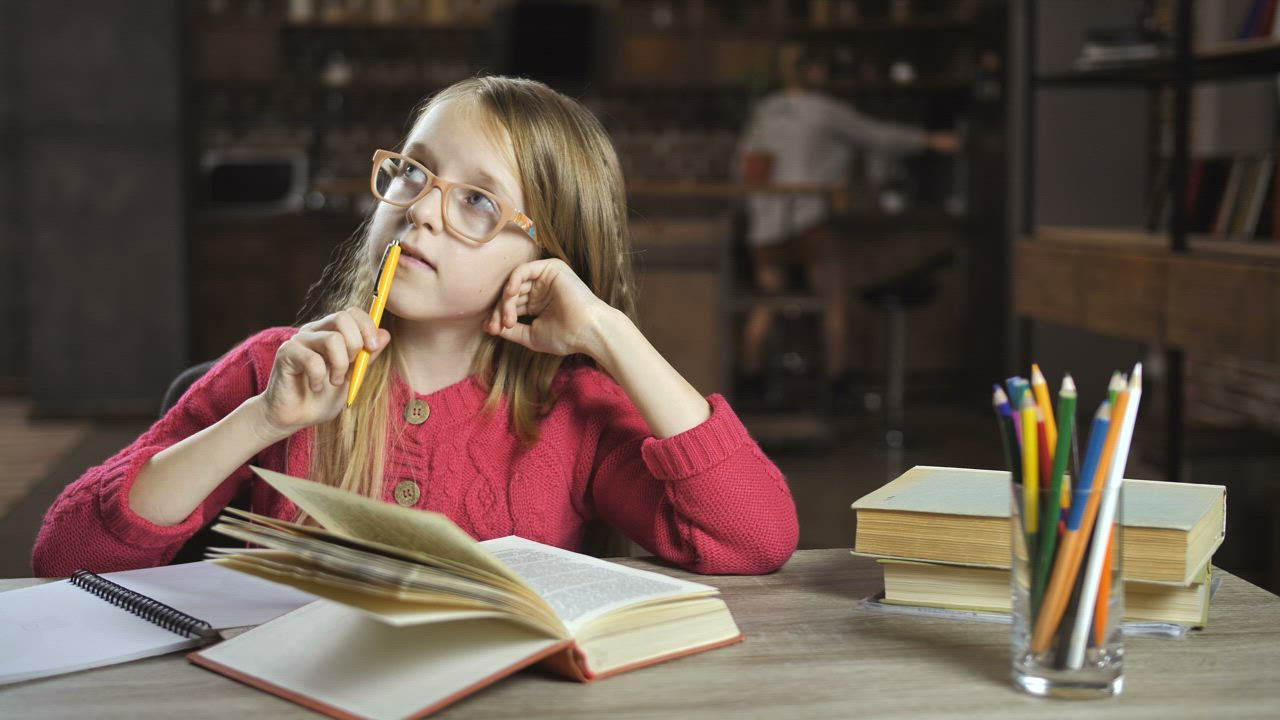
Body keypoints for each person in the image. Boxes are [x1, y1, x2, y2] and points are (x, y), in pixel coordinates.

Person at [32, 76, 799, 578]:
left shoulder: (575, 411)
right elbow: (63, 556)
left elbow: (755, 537)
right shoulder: (277, 369)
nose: (421, 208)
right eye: (413, 171)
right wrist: (259, 420)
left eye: (477, 202)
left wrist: (606, 330)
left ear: (548, 258)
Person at [736, 46, 959, 403]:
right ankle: (836, 383)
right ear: (811, 72)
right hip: (808, 217)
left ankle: (749, 379)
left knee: (768, 299)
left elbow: (744, 165)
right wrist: (932, 140)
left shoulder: (765, 110)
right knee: (832, 300)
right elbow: (877, 135)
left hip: (765, 223)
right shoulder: (824, 110)